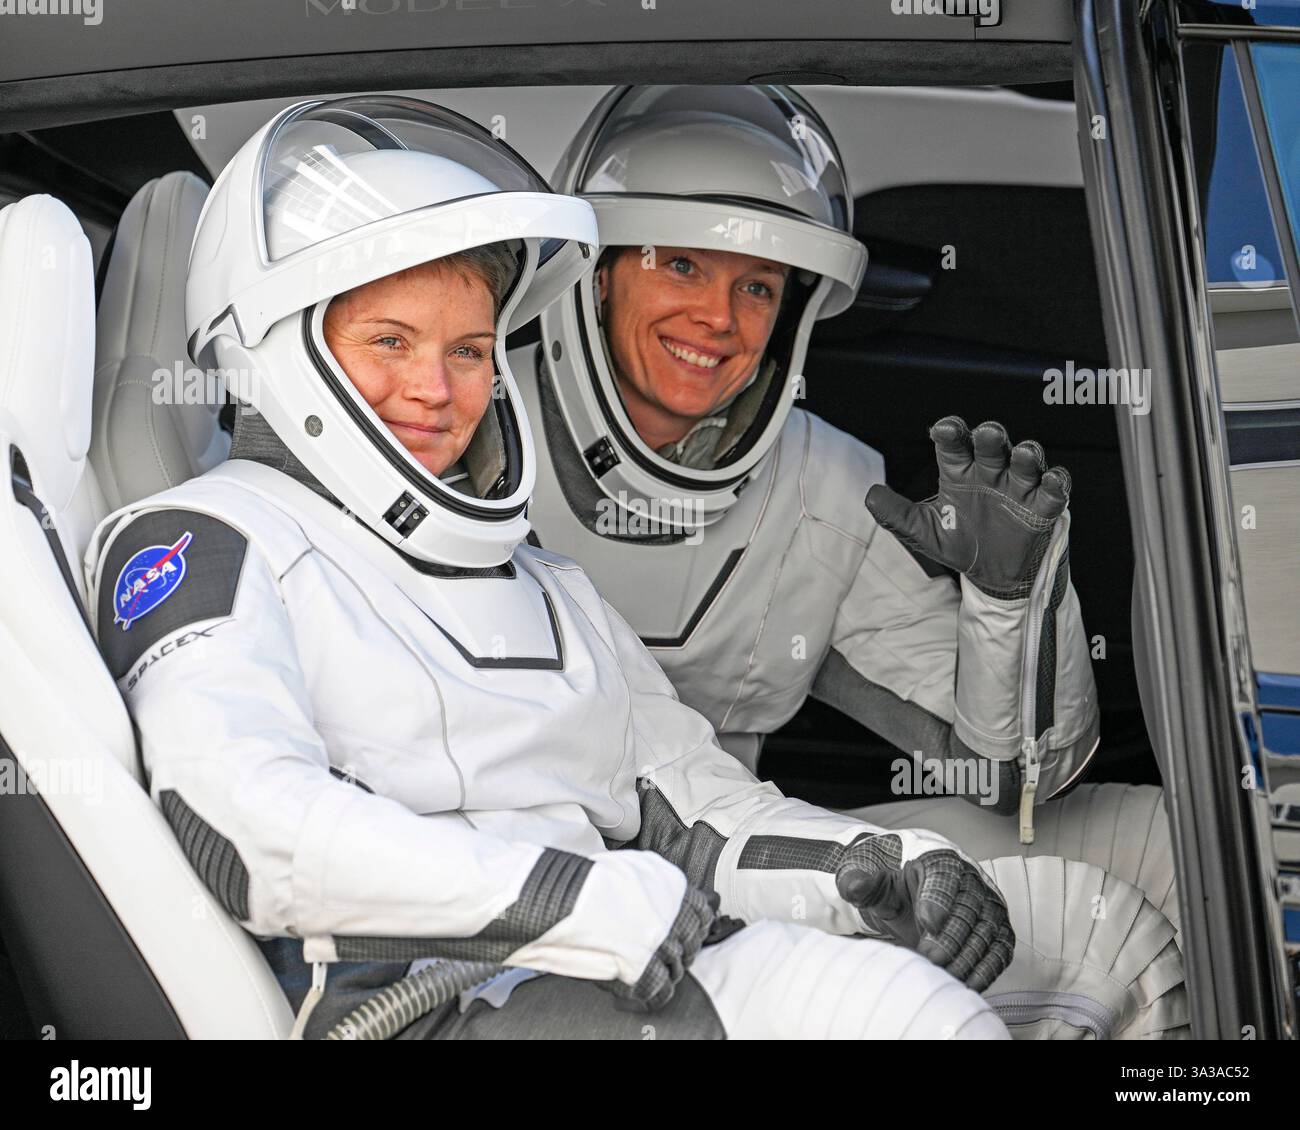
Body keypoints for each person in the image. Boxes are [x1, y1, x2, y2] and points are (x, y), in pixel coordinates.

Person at [85, 95, 1017, 1040]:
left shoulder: (547, 588)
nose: (435, 390)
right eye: (389, 342)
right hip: (429, 1012)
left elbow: (701, 812)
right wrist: (567, 900)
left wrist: (873, 867)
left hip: (612, 983)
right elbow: (249, 823)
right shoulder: (197, 540)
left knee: (921, 1016)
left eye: (470, 350)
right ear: (277, 348)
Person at [509, 86, 1186, 1035]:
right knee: (1099, 938)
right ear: (601, 273)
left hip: (750, 847)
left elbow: (1014, 782)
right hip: (568, 892)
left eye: (757, 286)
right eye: (684, 265)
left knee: (1179, 848)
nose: (718, 317)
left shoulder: (819, 486)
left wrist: (1006, 603)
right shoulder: (469, 440)